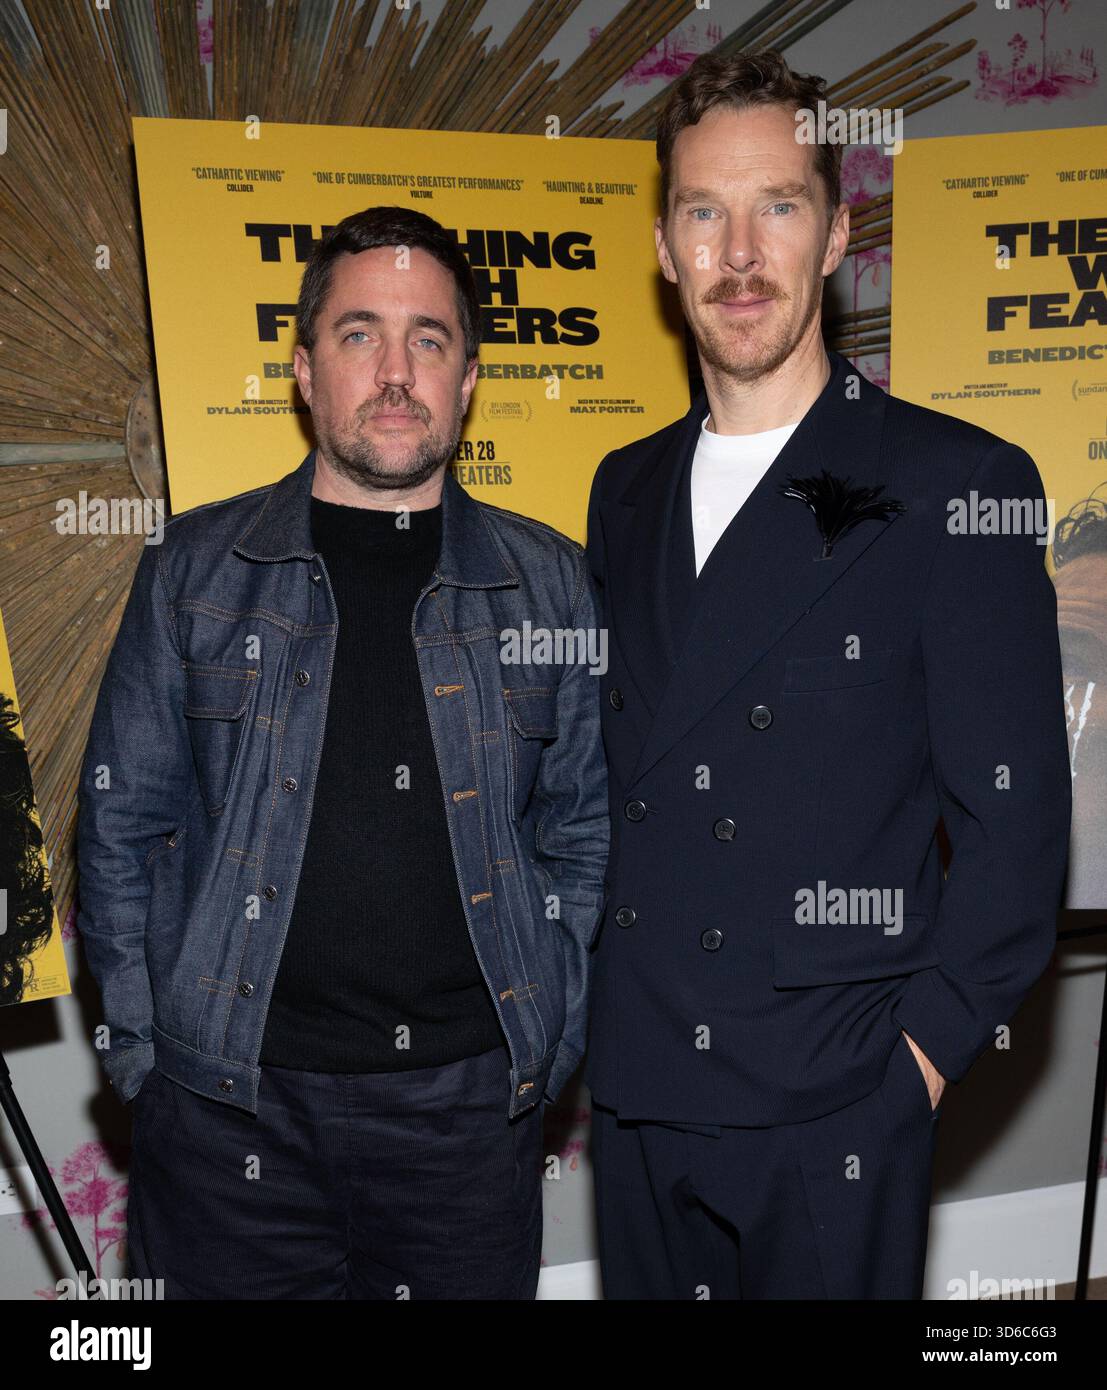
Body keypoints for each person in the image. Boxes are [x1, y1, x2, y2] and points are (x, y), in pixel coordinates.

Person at [584, 50, 1071, 1299]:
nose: (740, 253)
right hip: (640, 1090)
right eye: (706, 211)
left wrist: (916, 1065)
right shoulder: (622, 491)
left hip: (830, 1102)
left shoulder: (954, 483)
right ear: (663, 242)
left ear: (838, 232)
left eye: (779, 207)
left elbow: (1015, 829)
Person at [76, 205, 608, 1299]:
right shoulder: (193, 571)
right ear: (306, 371)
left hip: (466, 1117)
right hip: (232, 1113)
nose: (397, 371)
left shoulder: (550, 583)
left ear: (468, 379)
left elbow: (585, 829)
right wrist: (146, 1059)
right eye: (360, 333)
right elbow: (121, 821)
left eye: (430, 338)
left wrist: (549, 1032)